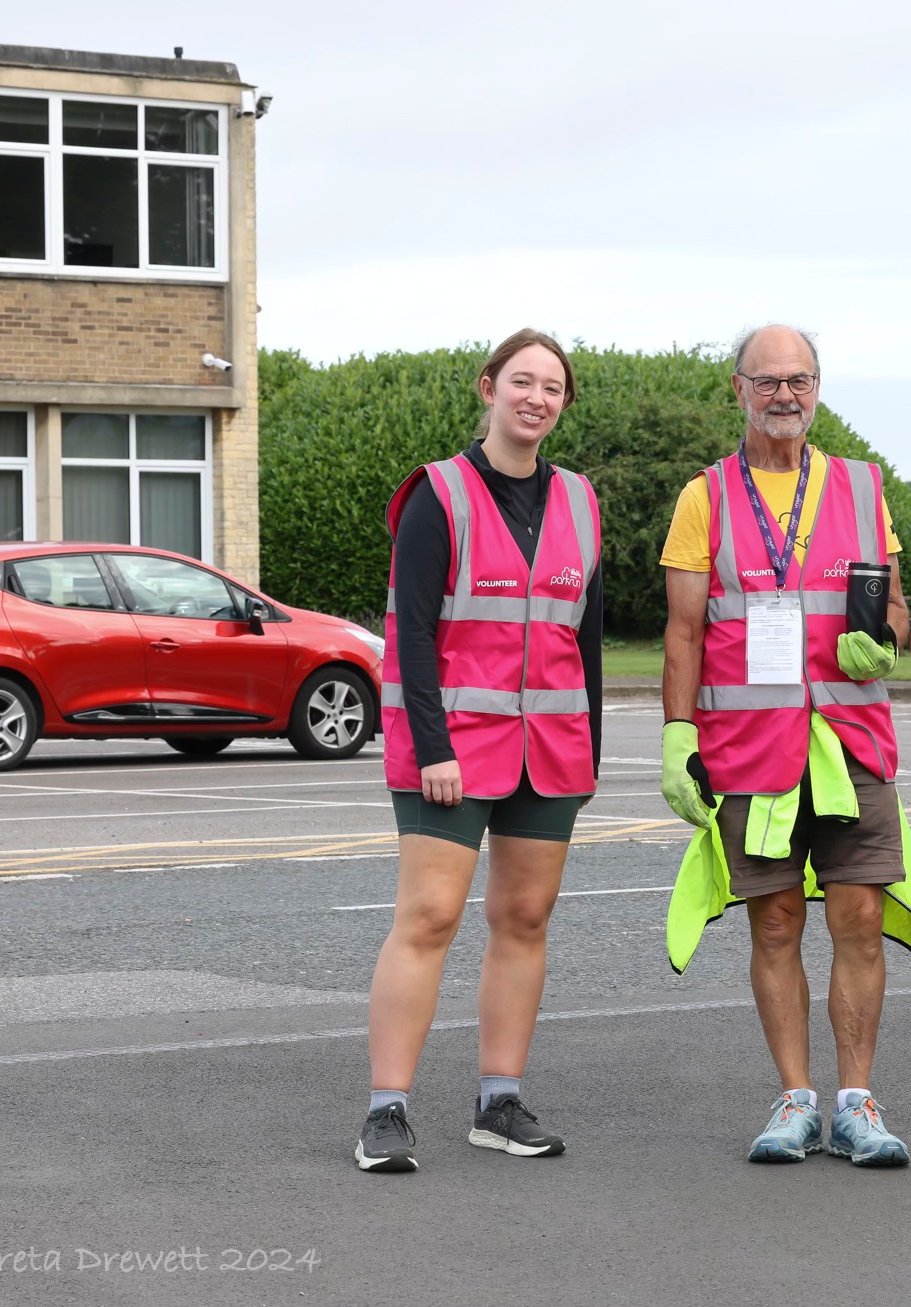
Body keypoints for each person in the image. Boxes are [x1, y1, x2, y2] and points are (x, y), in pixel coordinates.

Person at [658, 324, 911, 1167]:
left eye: (800, 379)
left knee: (857, 913)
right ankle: (794, 1097)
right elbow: (683, 627)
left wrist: (884, 639)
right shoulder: (705, 494)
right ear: (738, 389)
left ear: (818, 389)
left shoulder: (858, 485)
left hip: (848, 737)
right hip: (751, 742)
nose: (786, 394)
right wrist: (676, 738)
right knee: (774, 921)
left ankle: (856, 1101)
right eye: (769, 379)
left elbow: (895, 606)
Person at [356, 328, 603, 1173]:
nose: (537, 398)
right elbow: (411, 634)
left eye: (554, 388)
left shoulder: (580, 499)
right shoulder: (438, 494)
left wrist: (589, 748)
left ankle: (500, 1101)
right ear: (488, 387)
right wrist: (433, 744)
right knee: (428, 919)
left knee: (524, 919)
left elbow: (587, 637)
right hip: (451, 750)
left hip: (551, 750)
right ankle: (386, 1111)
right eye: (522, 382)